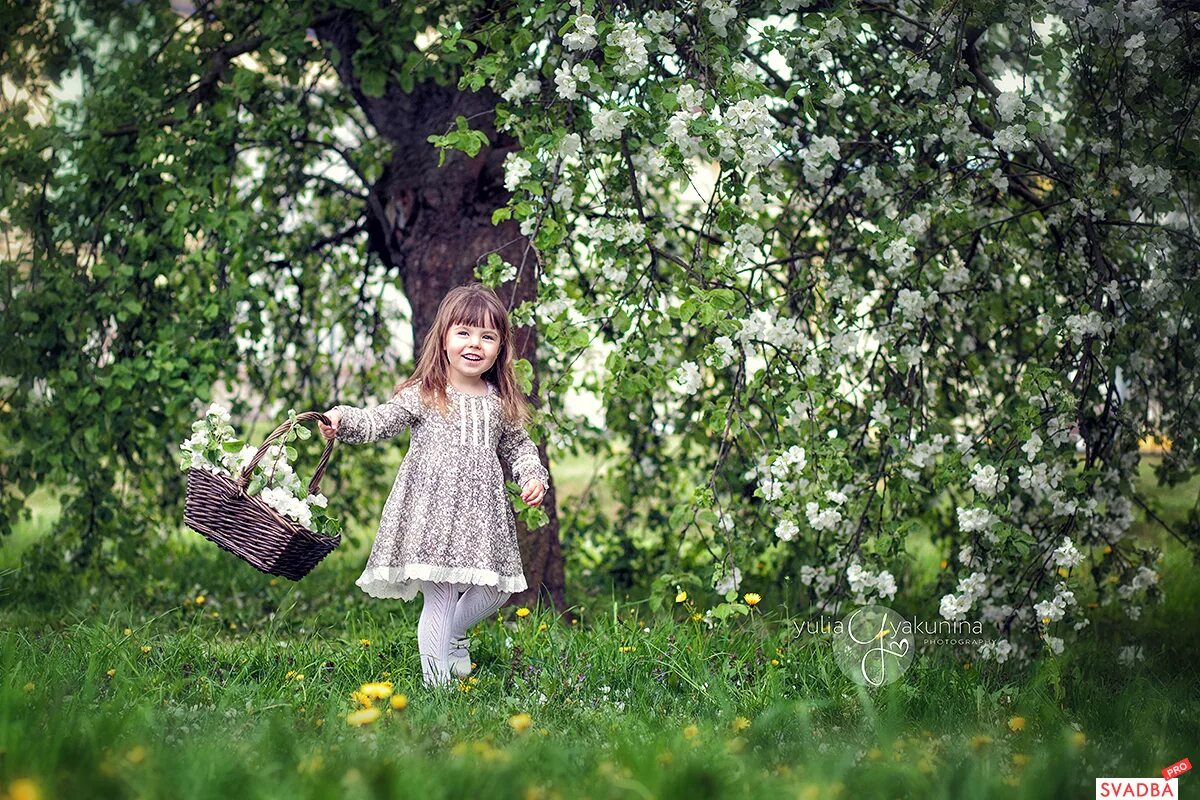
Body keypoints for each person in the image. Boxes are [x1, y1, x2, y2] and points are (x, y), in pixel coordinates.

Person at [319, 282, 550, 689]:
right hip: (431, 511)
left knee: (496, 589)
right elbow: (380, 420)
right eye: (463, 332)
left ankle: (455, 636)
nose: (474, 343)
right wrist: (343, 420)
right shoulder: (424, 392)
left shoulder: (500, 401)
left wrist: (532, 474)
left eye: (487, 336)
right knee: (440, 596)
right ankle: (437, 687)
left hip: (481, 515)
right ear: (444, 339)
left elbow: (518, 444)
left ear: (500, 347)